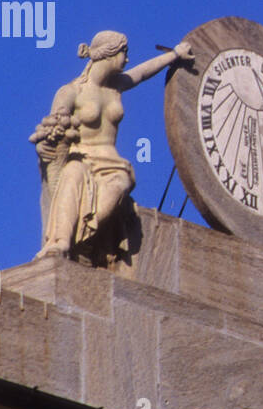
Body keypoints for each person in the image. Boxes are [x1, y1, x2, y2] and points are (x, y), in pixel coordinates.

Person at [30, 31, 193, 260]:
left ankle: (85, 239)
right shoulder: (71, 92)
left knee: (119, 185)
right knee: (73, 175)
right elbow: (55, 126)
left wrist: (174, 55)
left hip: (113, 165)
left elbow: (142, 73)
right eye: (124, 53)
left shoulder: (117, 86)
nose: (127, 60)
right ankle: (61, 243)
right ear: (109, 53)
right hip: (80, 159)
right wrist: (53, 134)